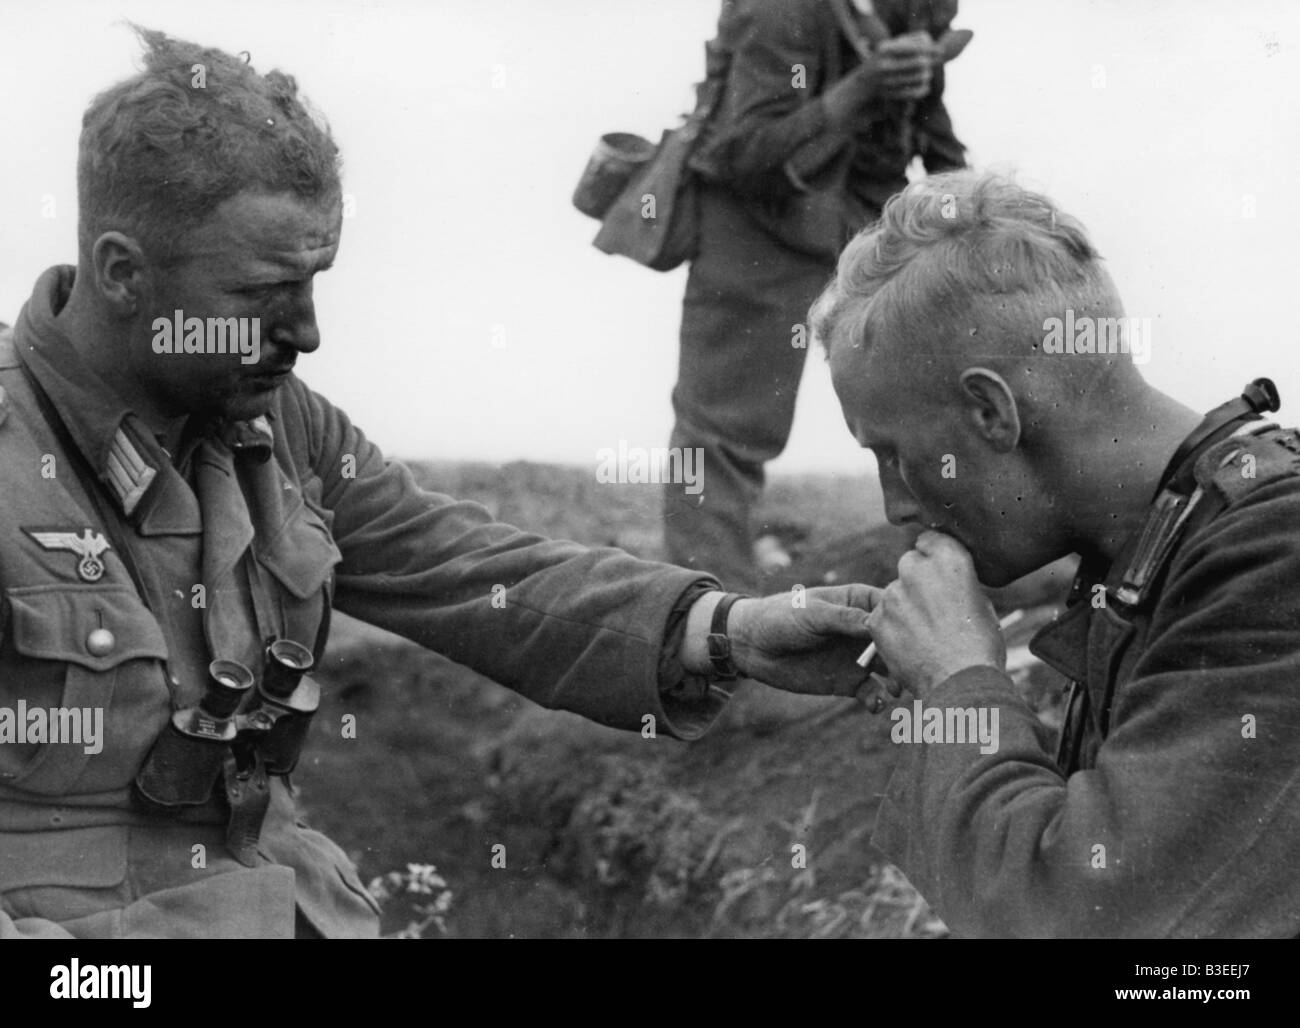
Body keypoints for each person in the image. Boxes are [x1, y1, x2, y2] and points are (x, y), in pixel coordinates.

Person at [0, 26, 880, 939]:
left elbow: (475, 571)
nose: (306, 332)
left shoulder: (278, 425)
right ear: (122, 273)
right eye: (261, 295)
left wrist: (731, 632)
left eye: (316, 281)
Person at [813, 167, 1300, 937]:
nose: (896, 505)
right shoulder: (1175, 541)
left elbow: (1087, 924)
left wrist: (960, 686)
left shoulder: (1275, 557)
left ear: (990, 411)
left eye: (894, 454)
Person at [663, 0, 971, 593]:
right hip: (756, 226)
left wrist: (976, 212)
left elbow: (931, 131)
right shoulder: (779, 11)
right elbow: (744, 152)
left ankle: (947, 591)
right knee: (720, 438)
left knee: (928, 408)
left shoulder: (919, 6)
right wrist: (864, 87)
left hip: (867, 221)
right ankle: (703, 630)